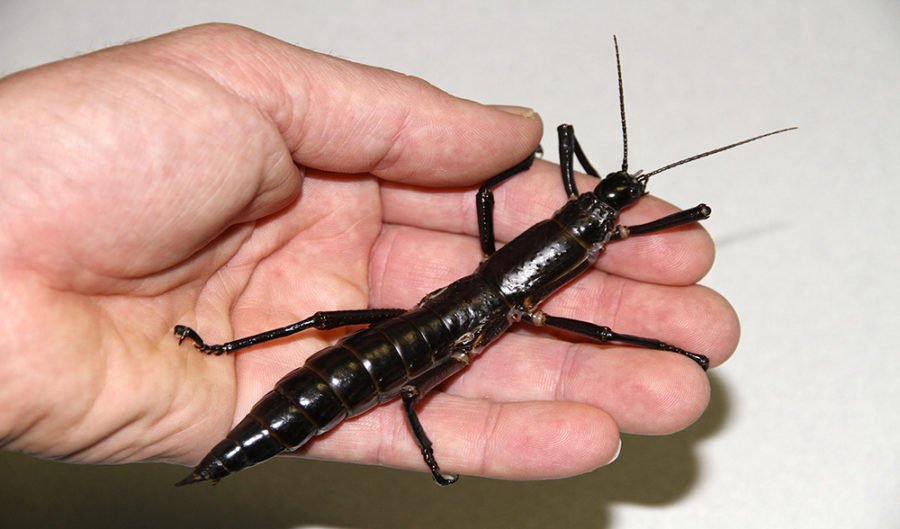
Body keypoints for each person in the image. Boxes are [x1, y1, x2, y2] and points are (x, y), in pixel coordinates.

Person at [0, 23, 737, 482]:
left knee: (355, 337)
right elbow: (505, 201)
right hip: (431, 334)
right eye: (594, 211)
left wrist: (559, 189)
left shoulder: (566, 239)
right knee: (350, 336)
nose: (604, 210)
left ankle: (233, 357)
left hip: (428, 328)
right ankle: (226, 349)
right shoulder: (560, 262)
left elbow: (493, 198)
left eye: (600, 215)